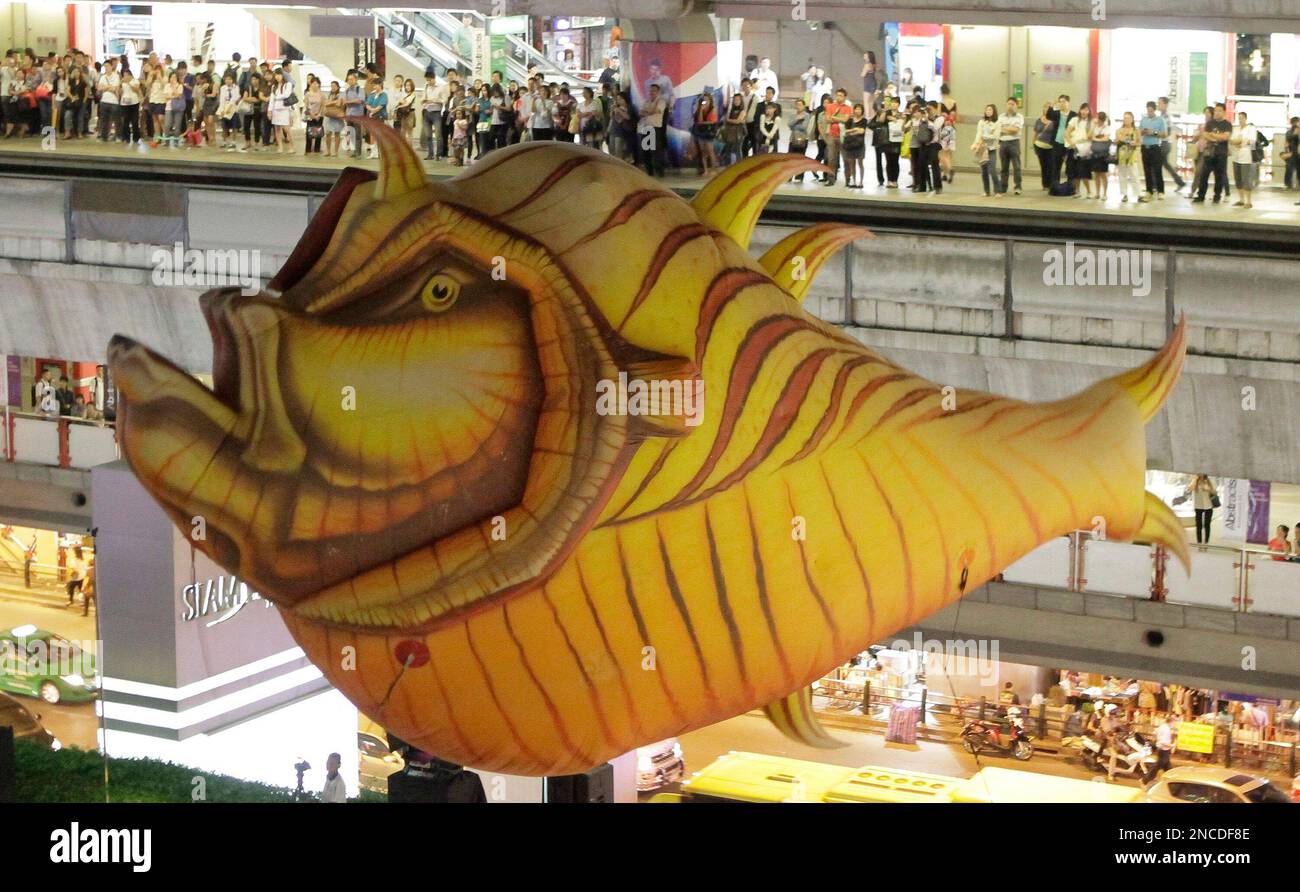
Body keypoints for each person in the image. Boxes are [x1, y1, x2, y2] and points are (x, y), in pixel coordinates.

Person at [1192, 104, 1231, 204]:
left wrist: (1213, 135)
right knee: (1204, 175)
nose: (1217, 113)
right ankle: (1201, 195)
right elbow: (1205, 135)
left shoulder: (1227, 124)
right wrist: (1217, 137)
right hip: (1209, 152)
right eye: (1216, 111)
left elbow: (1226, 137)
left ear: (1224, 112)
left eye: (1219, 111)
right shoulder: (1210, 123)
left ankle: (1217, 196)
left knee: (1219, 176)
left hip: (1221, 153)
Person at [819, 89, 851, 186]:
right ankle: (831, 179)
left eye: (841, 95)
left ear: (845, 97)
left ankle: (848, 179)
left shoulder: (848, 108)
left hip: (843, 137)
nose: (838, 97)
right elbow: (828, 119)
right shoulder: (830, 106)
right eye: (837, 95)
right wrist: (838, 119)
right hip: (832, 136)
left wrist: (835, 118)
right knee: (831, 159)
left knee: (846, 159)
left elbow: (845, 120)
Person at [1229, 110, 1258, 209]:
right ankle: (1241, 199)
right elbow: (1232, 140)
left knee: (1246, 178)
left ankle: (1248, 201)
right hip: (1236, 156)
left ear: (1246, 118)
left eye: (1242, 118)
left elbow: (1252, 142)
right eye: (1239, 118)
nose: (1240, 120)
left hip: (1246, 156)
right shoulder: (1236, 129)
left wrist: (1242, 141)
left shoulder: (1251, 128)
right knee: (1238, 179)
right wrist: (1240, 141)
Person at [1139, 100, 1167, 200]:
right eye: (1148, 111)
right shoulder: (1143, 119)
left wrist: (1154, 132)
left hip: (1155, 147)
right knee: (1147, 170)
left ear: (1154, 110)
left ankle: (1161, 191)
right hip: (1145, 147)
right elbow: (1139, 132)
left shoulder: (1160, 120)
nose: (1149, 113)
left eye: (1151, 111)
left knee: (1157, 170)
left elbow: (1164, 134)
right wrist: (1143, 131)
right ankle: (1149, 190)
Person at [1156, 96, 1186, 191]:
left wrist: (1157, 133)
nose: (1158, 105)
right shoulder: (1161, 116)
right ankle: (1180, 182)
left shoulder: (1165, 117)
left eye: (1160, 103)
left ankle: (1153, 186)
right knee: (1164, 164)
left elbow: (1167, 131)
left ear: (1165, 104)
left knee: (1157, 164)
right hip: (1163, 143)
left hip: (1164, 143)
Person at [638, 82, 668, 177]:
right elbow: (641, 113)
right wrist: (649, 112)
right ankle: (649, 171)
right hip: (645, 127)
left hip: (655, 128)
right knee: (645, 150)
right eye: (650, 90)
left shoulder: (661, 101)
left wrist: (647, 112)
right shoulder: (646, 102)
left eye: (654, 90)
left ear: (658, 91)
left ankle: (659, 171)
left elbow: (656, 111)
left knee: (656, 151)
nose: (652, 92)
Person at [972, 104, 1002, 197]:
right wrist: (976, 143)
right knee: (984, 171)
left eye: (990, 110)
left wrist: (985, 137)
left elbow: (996, 136)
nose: (988, 111)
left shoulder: (997, 123)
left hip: (992, 148)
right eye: (987, 110)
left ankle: (997, 191)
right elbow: (978, 133)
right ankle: (986, 191)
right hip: (982, 148)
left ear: (994, 111)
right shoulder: (981, 122)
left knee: (992, 170)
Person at [997, 96, 1023, 195]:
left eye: (1013, 104)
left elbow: (1016, 130)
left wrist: (1004, 128)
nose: (1010, 106)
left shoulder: (1019, 117)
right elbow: (998, 129)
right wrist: (1008, 128)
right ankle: (1003, 187)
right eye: (1009, 104)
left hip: (1014, 143)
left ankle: (1018, 187)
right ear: (1006, 104)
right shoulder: (1001, 116)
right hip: (1003, 143)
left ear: (1016, 106)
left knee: (1016, 166)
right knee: (1004, 167)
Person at [1067, 102, 1094, 197]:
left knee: (1084, 172)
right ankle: (1077, 191)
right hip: (1074, 148)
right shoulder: (1074, 120)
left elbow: (1090, 136)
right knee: (1075, 172)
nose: (1084, 112)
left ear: (1089, 111)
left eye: (1086, 110)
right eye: (1083, 109)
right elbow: (1066, 134)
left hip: (1085, 150)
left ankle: (1089, 191)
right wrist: (1071, 143)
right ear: (1079, 110)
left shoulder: (1091, 122)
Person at [841, 103, 868, 187]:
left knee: (860, 162)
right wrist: (855, 129)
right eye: (856, 109)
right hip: (851, 144)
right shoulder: (849, 120)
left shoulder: (864, 120)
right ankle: (853, 181)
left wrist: (852, 131)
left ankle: (861, 181)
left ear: (862, 111)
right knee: (852, 163)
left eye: (860, 109)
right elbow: (845, 132)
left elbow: (862, 131)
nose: (858, 111)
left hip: (860, 144)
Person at [691, 92, 719, 174]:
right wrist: (701, 110)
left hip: (709, 132)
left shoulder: (713, 109)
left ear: (710, 101)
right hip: (701, 132)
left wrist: (703, 122)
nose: (705, 101)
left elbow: (712, 121)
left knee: (710, 151)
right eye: (704, 100)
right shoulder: (700, 108)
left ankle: (714, 169)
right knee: (703, 151)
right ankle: (705, 170)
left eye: (707, 100)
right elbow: (699, 121)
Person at [1185, 474, 1217, 544]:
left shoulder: (1210, 480)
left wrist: (1207, 488)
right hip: (1198, 506)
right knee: (1198, 525)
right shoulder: (1195, 481)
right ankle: (1199, 542)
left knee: (1207, 524)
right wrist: (1195, 479)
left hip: (1208, 506)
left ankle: (1206, 542)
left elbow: (1214, 492)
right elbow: (1190, 489)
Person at [1089, 112, 1112, 201]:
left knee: (1103, 174)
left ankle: (1105, 193)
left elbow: (1105, 139)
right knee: (1096, 174)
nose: (1097, 120)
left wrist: (1095, 139)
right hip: (1095, 153)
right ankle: (1097, 193)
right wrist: (1093, 126)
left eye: (1098, 118)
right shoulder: (1094, 127)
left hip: (1103, 154)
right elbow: (1089, 136)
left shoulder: (1107, 128)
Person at [1033, 100, 1055, 191]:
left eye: (1049, 107)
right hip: (1039, 146)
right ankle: (1044, 184)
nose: (1047, 109)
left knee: (1051, 166)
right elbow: (1035, 133)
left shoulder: (1054, 121)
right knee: (1043, 166)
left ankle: (1050, 184)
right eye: (1046, 107)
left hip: (1051, 147)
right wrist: (1034, 144)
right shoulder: (1039, 120)